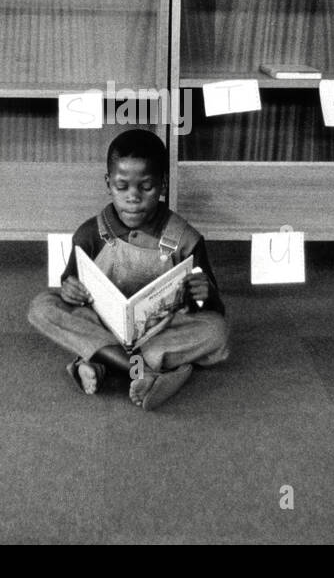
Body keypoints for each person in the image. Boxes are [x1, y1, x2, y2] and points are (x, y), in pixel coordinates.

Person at [27, 129, 229, 410]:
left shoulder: (186, 238)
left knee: (216, 331)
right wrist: (69, 289)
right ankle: (148, 372)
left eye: (145, 187)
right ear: (108, 183)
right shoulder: (89, 233)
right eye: (122, 187)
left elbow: (212, 309)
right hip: (104, 322)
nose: (133, 197)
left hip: (161, 329)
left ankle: (100, 362)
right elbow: (70, 282)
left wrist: (204, 294)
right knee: (42, 307)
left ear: (163, 184)